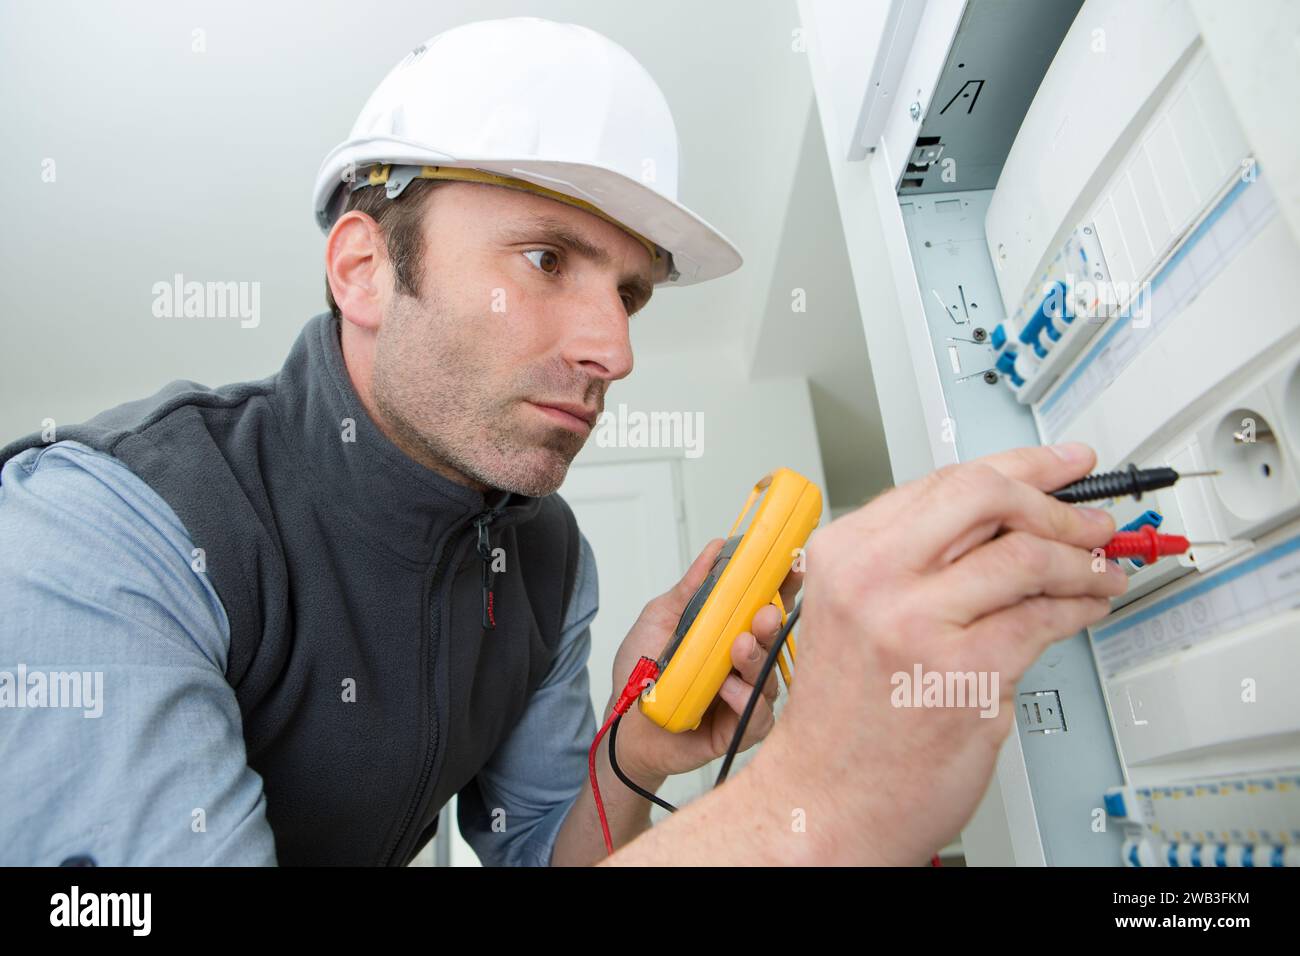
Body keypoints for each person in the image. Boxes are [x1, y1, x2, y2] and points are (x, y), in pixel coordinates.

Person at [0, 17, 1126, 866]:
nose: (612, 349)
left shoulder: (545, 555)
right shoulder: (98, 528)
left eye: (630, 296)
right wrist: (822, 798)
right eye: (544, 260)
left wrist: (632, 752)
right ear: (363, 269)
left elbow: (536, 846)